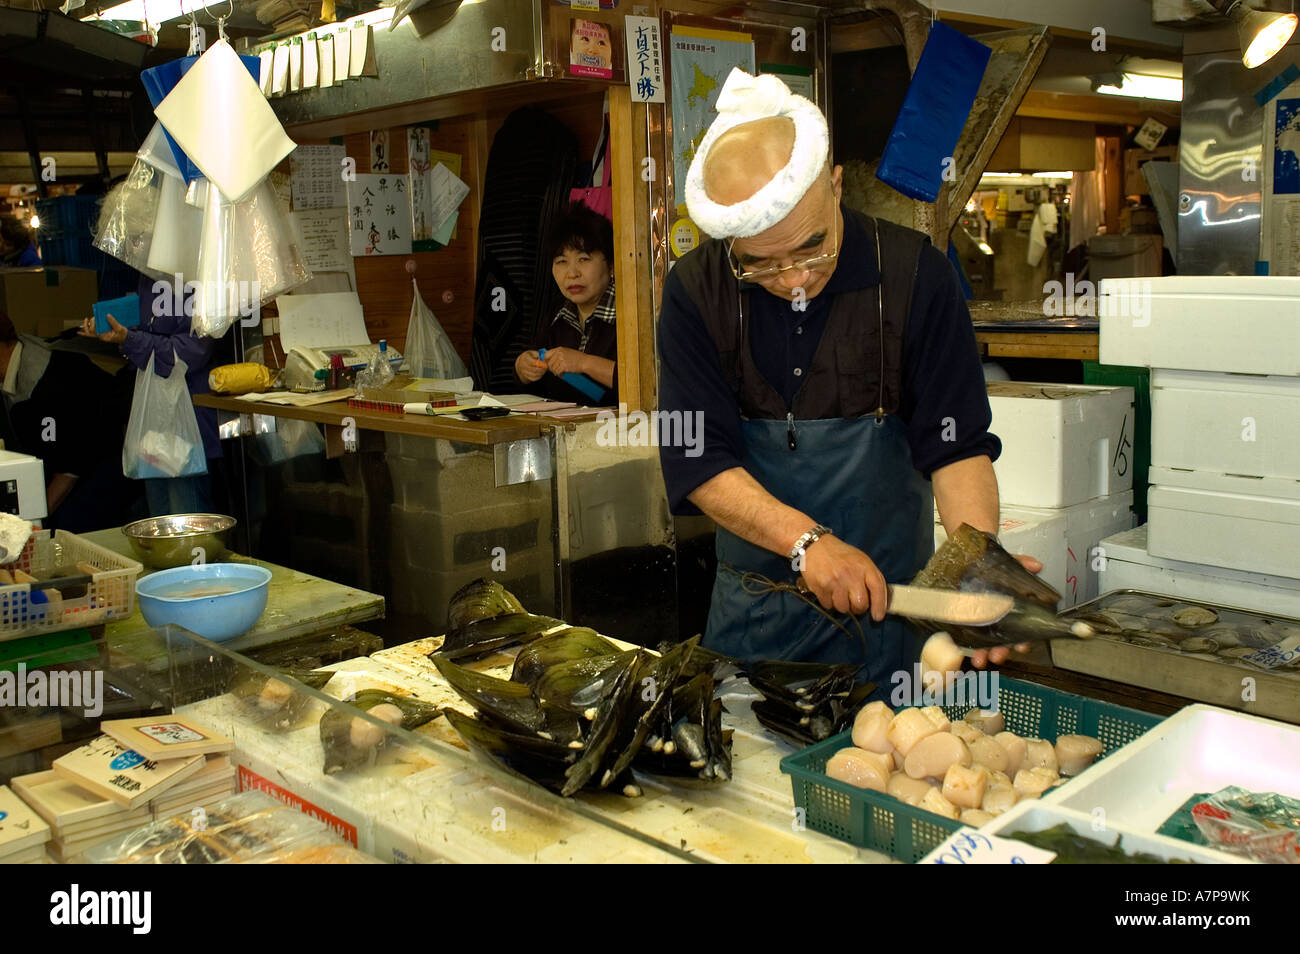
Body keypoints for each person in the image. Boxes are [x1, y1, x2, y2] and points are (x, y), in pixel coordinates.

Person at [656, 69, 1038, 695]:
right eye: (761, 265)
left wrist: (975, 564)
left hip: (897, 620)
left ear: (836, 186)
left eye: (811, 249)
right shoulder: (697, 292)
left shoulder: (918, 278)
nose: (793, 279)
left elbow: (957, 446)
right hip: (754, 626)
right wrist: (806, 543)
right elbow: (696, 459)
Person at [79, 274, 222, 515]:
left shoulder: (202, 279)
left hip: (187, 418)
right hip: (153, 419)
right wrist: (110, 324)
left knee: (188, 525)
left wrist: (129, 339)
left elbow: (188, 353)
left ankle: (198, 555)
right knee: (160, 525)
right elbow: (149, 320)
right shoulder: (150, 275)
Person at [0, 311, 138, 531]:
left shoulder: (49, 379)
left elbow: (70, 464)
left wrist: (32, 523)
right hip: (61, 465)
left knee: (63, 529)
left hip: (110, 459)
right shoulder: (12, 375)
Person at [514, 202, 618, 405]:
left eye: (584, 259)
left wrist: (584, 363)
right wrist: (523, 368)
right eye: (561, 261)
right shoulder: (558, 313)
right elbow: (540, 378)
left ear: (612, 266)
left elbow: (647, 381)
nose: (572, 273)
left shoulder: (632, 314)